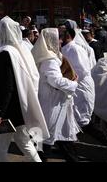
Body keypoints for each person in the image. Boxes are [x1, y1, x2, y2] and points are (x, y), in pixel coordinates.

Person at [0, 17, 49, 162]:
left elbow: (6, 88)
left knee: (0, 148)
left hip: (7, 111)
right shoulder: (21, 51)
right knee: (25, 142)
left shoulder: (4, 54)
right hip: (22, 108)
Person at [32, 29, 80, 162]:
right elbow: (55, 81)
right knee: (48, 140)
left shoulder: (47, 57)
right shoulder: (50, 59)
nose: (60, 41)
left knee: (59, 139)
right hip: (53, 104)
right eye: (58, 38)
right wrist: (73, 84)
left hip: (53, 102)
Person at [61, 28, 95, 128]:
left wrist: (70, 80)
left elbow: (82, 70)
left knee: (81, 111)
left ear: (67, 36)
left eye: (61, 35)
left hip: (80, 84)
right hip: (73, 84)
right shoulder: (66, 48)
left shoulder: (75, 49)